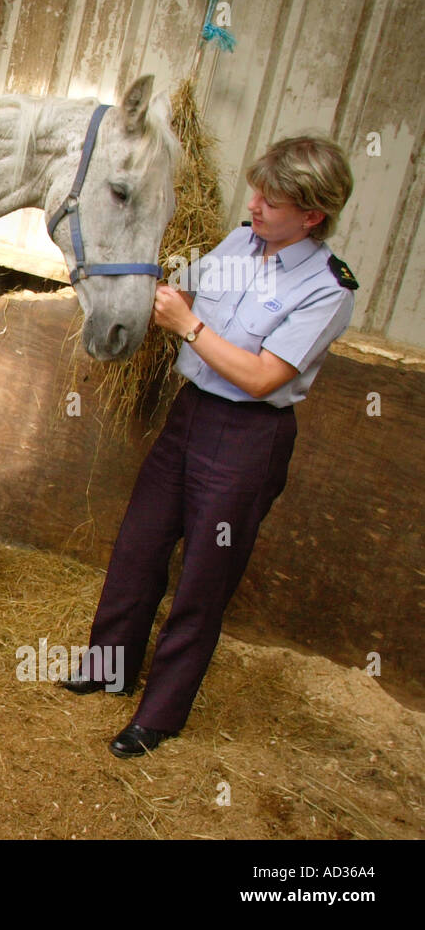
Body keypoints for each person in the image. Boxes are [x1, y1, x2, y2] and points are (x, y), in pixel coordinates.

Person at [59, 134, 357, 758]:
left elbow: (263, 377)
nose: (254, 205)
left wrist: (189, 326)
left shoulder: (327, 288)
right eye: (256, 192)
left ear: (312, 215)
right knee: (139, 545)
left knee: (203, 577)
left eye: (271, 201)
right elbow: (182, 295)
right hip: (190, 414)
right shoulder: (240, 243)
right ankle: (108, 668)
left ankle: (160, 714)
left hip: (248, 436)